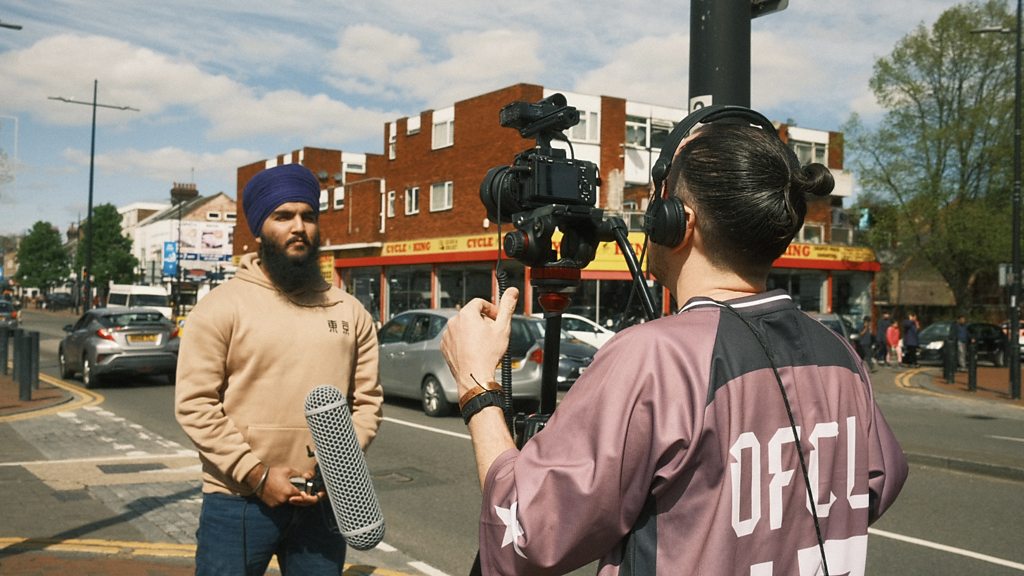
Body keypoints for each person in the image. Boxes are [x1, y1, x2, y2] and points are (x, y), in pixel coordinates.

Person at [441, 109, 908, 575]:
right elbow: (880, 480)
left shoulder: (654, 359)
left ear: (675, 222)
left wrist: (478, 390)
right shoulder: (840, 355)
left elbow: (525, 534)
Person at [175, 163, 383, 575]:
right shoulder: (221, 307)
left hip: (323, 503)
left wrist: (336, 470)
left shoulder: (350, 311)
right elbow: (194, 405)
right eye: (283, 216)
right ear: (259, 229)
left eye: (308, 216)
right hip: (237, 502)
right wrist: (256, 474)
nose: (299, 227)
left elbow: (367, 403)